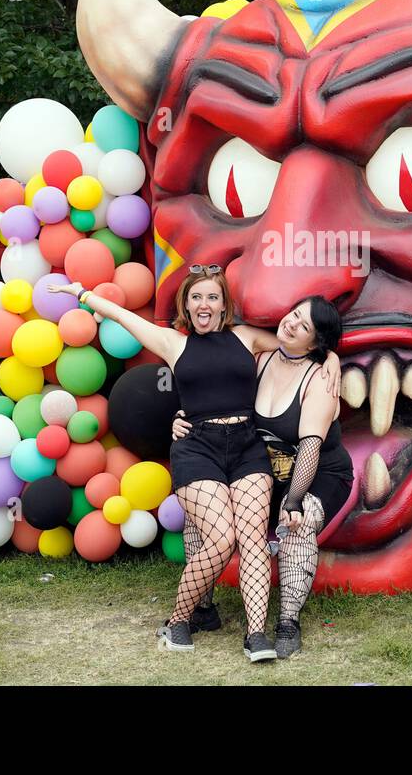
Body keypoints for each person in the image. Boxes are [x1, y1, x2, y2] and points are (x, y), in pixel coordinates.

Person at [47, 267, 335, 662]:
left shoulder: (245, 336)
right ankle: (179, 620)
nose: (204, 304)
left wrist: (330, 357)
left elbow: (297, 346)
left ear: (223, 306)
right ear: (186, 304)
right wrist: (82, 293)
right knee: (221, 539)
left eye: (212, 297)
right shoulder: (173, 343)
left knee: (252, 537)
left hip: (248, 447)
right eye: (196, 297)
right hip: (197, 448)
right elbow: (122, 317)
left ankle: (256, 635)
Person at [173, 296, 352, 658]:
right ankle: (202, 609)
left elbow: (310, 450)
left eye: (304, 326)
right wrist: (180, 418)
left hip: (316, 474)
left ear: (316, 343)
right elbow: (217, 393)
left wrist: (295, 501)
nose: (292, 324)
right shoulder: (260, 357)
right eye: (294, 313)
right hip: (261, 467)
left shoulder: (319, 379)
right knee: (200, 518)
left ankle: (287, 622)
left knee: (297, 526)